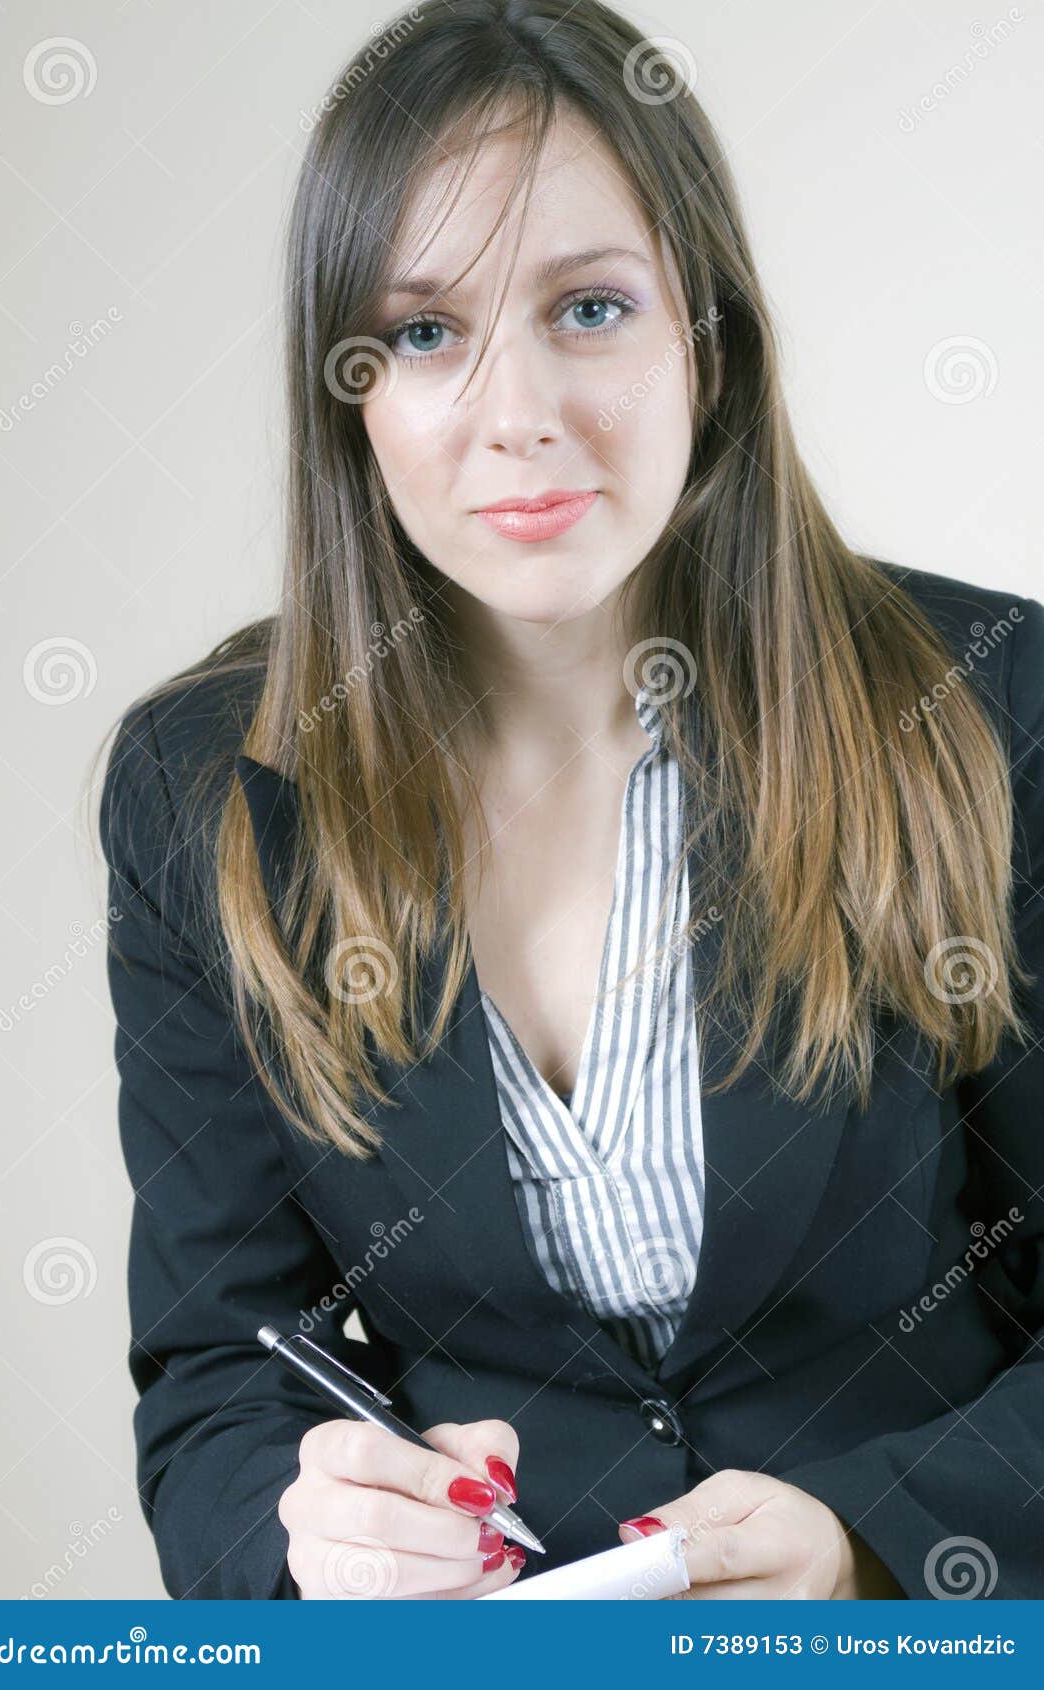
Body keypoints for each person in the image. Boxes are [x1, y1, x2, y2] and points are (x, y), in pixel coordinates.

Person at [96, 0, 1044, 1600]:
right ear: (352, 395)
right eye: (423, 333)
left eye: (590, 307)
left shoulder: (991, 705)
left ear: (710, 339)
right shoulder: (207, 793)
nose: (515, 410)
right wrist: (307, 1534)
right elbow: (220, 1377)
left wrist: (872, 1535)